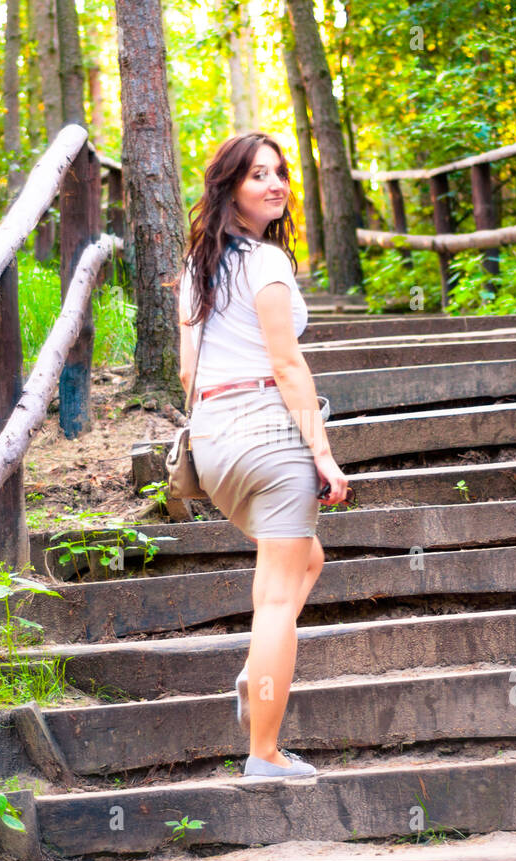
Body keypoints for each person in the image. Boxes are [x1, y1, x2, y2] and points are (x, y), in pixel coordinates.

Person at [175, 132, 349, 778]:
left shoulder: (196, 268)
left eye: (280, 173)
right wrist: (324, 455)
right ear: (230, 188)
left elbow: (189, 373)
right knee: (275, 599)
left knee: (308, 558)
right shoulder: (267, 264)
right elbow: (286, 365)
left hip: (215, 445)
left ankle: (255, 668)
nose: (275, 183)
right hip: (269, 437)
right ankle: (264, 752)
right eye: (257, 175)